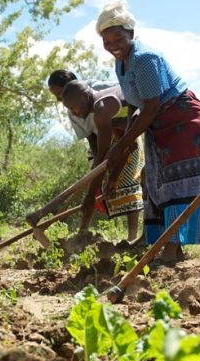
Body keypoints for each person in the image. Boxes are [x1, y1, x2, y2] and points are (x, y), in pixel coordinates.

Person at [95, 0, 200, 266]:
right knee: (157, 185)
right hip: (160, 126)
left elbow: (150, 107)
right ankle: (171, 250)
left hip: (184, 123)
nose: (112, 45)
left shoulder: (144, 58)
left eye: (118, 38)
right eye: (107, 41)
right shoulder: (121, 62)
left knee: (176, 186)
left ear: (131, 33)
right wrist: (126, 138)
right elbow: (134, 104)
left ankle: (170, 251)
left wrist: (124, 143)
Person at [60, 80, 144, 245]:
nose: (74, 113)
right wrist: (112, 178)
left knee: (149, 183)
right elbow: (127, 146)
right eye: (70, 110)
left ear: (85, 96)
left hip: (161, 121)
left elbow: (102, 156)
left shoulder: (102, 108)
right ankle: (146, 238)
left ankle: (146, 239)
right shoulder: (103, 111)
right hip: (142, 132)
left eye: (74, 107)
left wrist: (90, 196)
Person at [46, 70, 112, 161]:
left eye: (59, 93)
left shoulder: (97, 89)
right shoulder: (72, 112)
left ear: (69, 85)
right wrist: (97, 160)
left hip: (124, 138)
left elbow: (128, 93)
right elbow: (91, 137)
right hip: (104, 149)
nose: (58, 99)